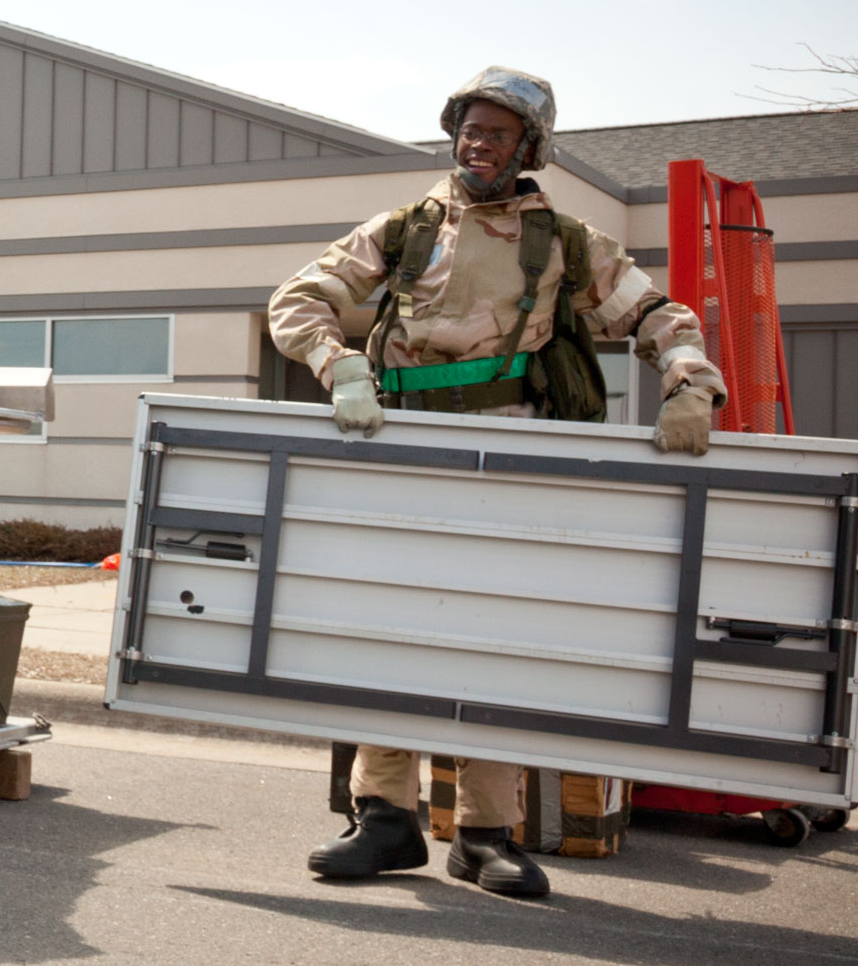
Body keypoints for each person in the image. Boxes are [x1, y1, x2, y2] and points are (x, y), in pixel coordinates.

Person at [267, 67, 724, 902]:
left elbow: (658, 316)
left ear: (529, 147)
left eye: (498, 134)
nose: (479, 145)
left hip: (511, 454)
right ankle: (386, 819)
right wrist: (338, 369)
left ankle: (485, 834)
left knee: (495, 635)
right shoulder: (405, 227)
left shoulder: (566, 240)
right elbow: (299, 299)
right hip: (400, 449)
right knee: (392, 629)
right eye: (470, 130)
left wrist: (692, 384)